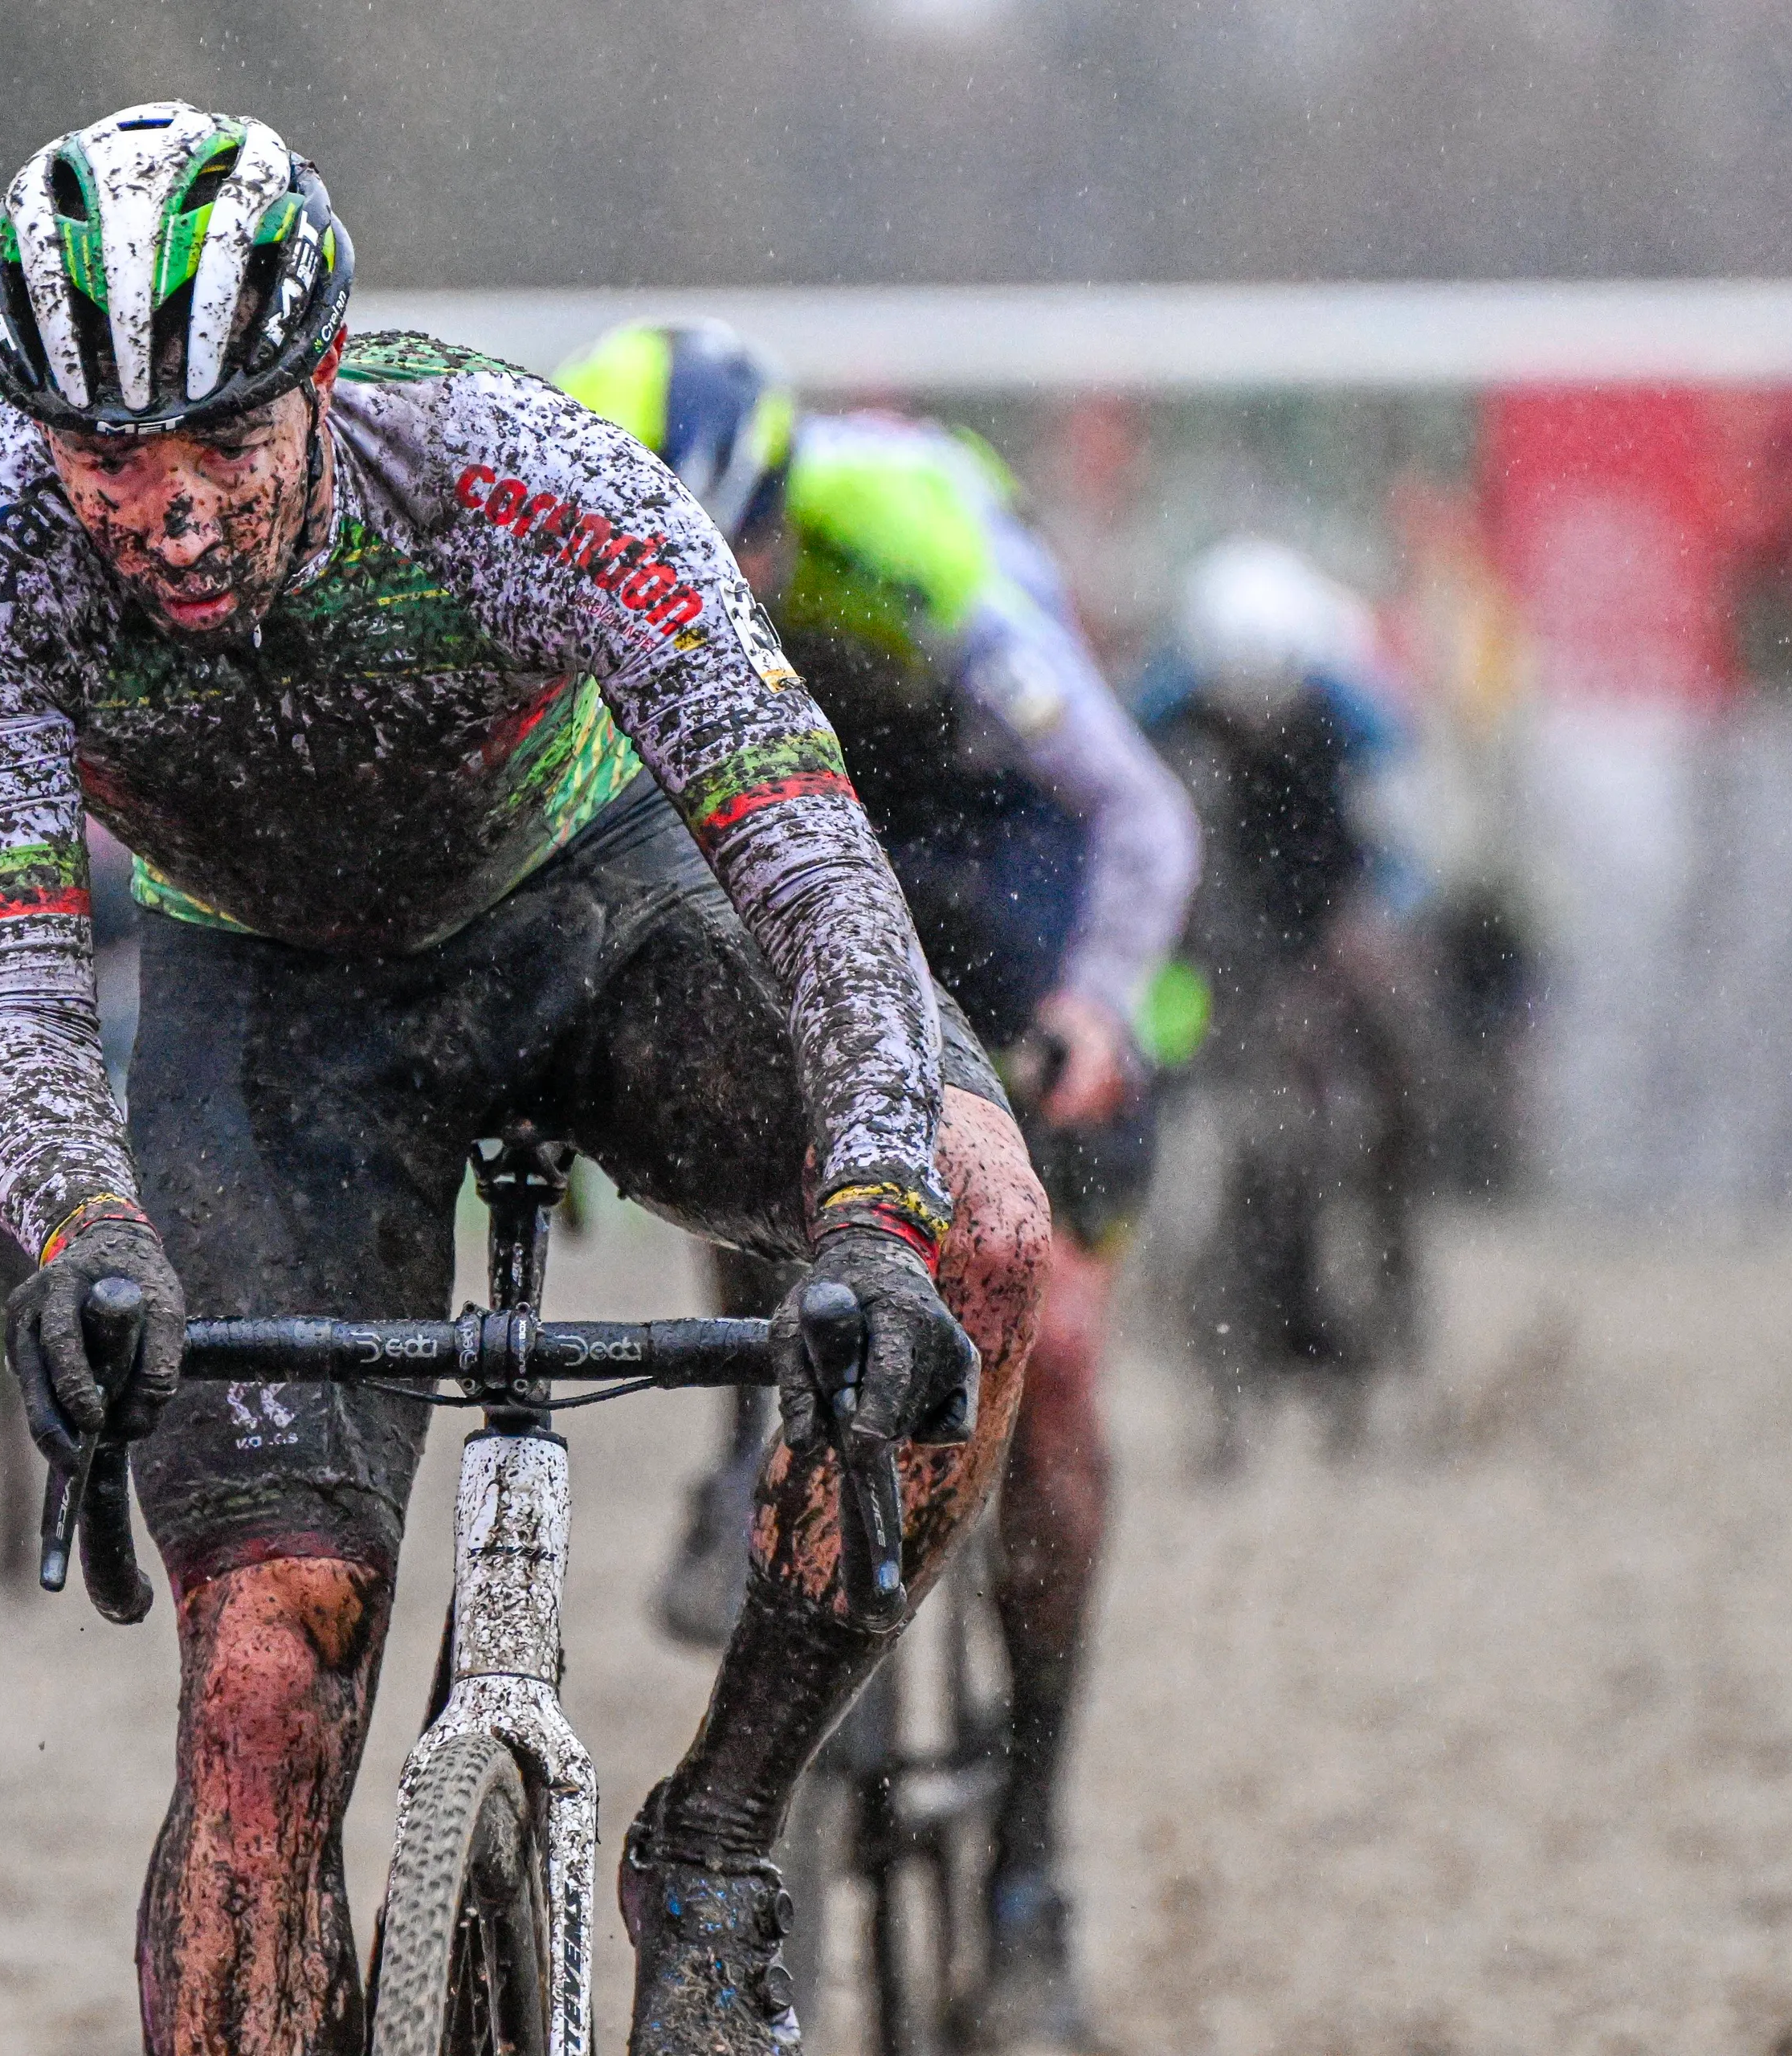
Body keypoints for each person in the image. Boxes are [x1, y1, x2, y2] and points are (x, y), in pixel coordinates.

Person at [0, 104, 1047, 2056]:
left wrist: (861, 1215)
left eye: (222, 444)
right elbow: (5, 974)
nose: (166, 513)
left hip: (602, 920)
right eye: (105, 457)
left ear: (321, 377)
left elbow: (803, 850)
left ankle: (723, 1836)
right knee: (262, 1681)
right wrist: (84, 1226)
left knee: (981, 1228)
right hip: (277, 1004)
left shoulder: (521, 474)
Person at [558, 320, 1198, 2051]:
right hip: (792, 838)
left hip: (1021, 867)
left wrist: (1094, 1006)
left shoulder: (910, 542)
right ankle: (738, 1454)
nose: (708, 600)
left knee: (1047, 1363)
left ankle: (1033, 1860)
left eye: (732, 562)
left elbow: (1140, 816)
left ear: (778, 515)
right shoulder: (576, 552)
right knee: (729, 1082)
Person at [1137, 536, 1435, 1445]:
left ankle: (1398, 1277)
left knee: (1406, 1072)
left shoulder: (1356, 710)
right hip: (1221, 946)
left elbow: (1404, 844)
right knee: (1207, 1124)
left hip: (1331, 926)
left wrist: (1367, 928)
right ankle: (1204, 1331)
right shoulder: (1167, 704)